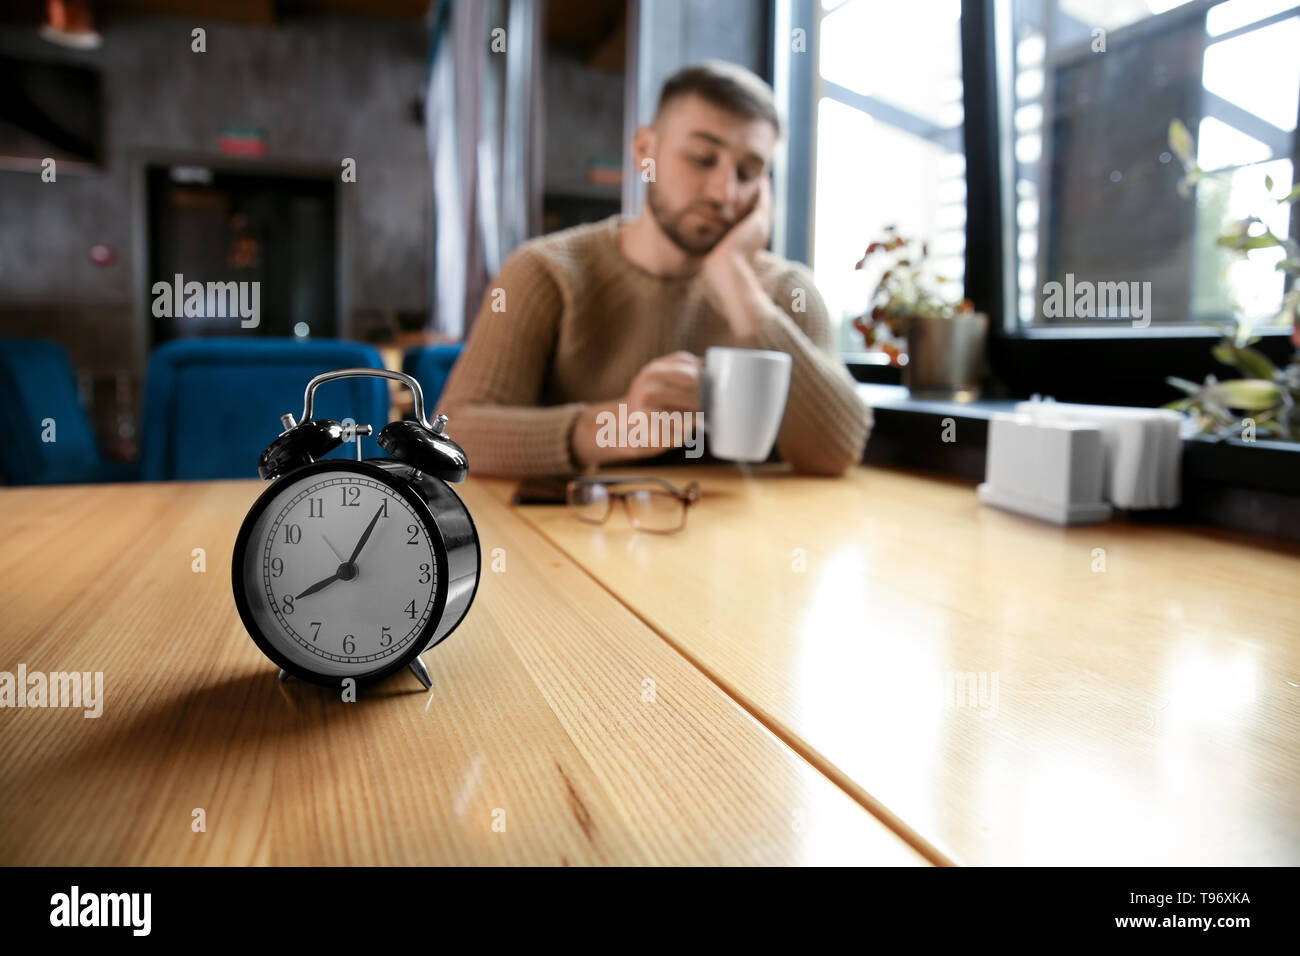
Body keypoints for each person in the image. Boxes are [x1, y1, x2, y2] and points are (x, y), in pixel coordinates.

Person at [438, 60, 872, 477]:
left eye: (749, 171)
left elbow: (839, 450)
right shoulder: (544, 272)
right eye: (703, 158)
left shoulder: (783, 292)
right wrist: (606, 428)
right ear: (646, 152)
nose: (724, 192)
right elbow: (451, 435)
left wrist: (734, 277)